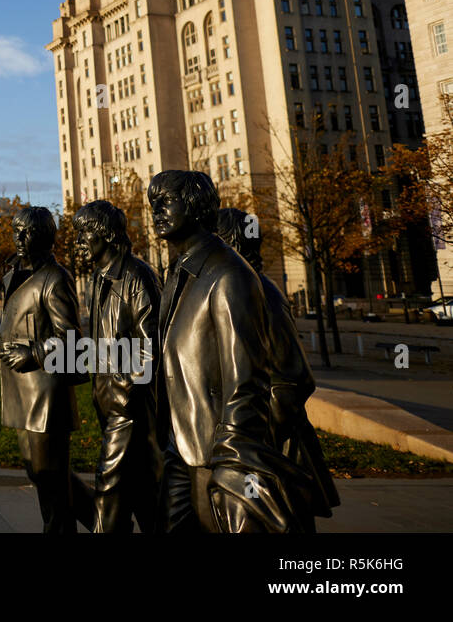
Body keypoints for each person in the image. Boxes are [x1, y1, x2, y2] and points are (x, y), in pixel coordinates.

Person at [149, 171, 310, 533]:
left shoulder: (227, 276)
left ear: (195, 206)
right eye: (152, 202)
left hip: (216, 450)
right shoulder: (179, 273)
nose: (156, 210)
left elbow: (246, 378)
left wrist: (232, 455)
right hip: (181, 444)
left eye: (166, 200)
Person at [215, 208, 339, 528]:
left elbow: (293, 378)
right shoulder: (243, 290)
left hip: (275, 453)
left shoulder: (263, 294)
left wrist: (257, 437)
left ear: (233, 244)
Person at [0, 206, 90, 533]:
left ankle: (62, 528)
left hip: (45, 393)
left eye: (28, 232)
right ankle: (101, 520)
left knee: (49, 476)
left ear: (46, 237)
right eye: (16, 231)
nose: (20, 238)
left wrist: (33, 353)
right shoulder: (18, 274)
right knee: (40, 472)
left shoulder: (54, 278)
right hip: (23, 392)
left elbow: (73, 339)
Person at [74, 200, 161, 533]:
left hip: (130, 408)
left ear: (106, 234)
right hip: (110, 405)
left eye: (84, 233)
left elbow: (150, 347)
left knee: (108, 488)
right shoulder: (99, 279)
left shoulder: (137, 277)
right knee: (141, 494)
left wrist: (123, 390)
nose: (79, 241)